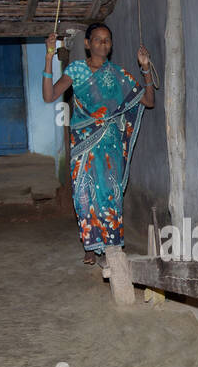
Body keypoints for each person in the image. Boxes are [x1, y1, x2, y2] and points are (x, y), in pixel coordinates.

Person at [42, 23, 156, 269]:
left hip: (110, 144)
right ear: (87, 43)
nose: (102, 44)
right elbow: (49, 96)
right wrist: (49, 55)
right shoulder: (77, 70)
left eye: (107, 40)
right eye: (97, 39)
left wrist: (145, 68)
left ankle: (112, 245)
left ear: (111, 45)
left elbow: (148, 101)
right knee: (83, 194)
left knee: (109, 193)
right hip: (83, 142)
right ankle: (91, 246)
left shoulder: (117, 73)